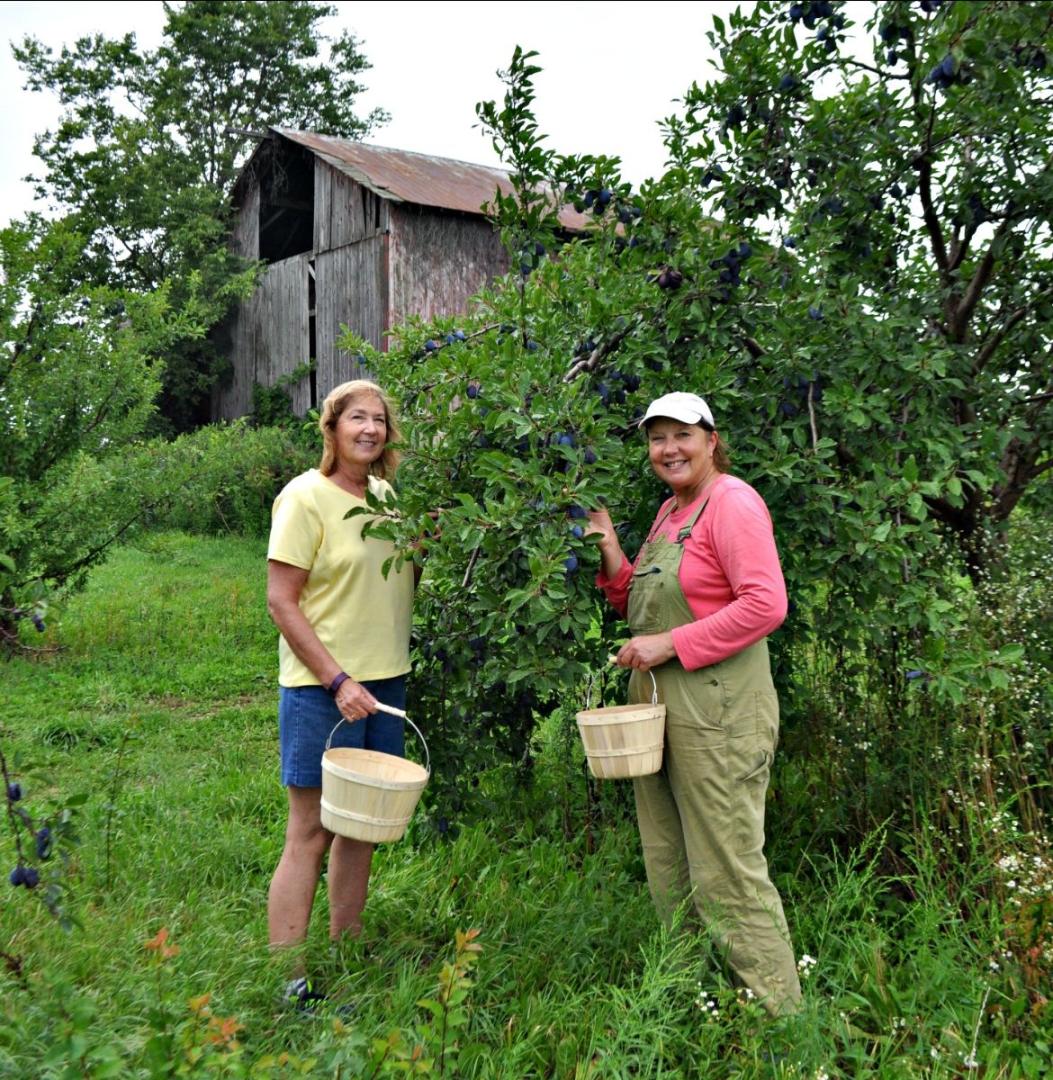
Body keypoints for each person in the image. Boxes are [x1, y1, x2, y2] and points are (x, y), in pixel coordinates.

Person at [587, 391, 802, 1015]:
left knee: (728, 870)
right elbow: (636, 604)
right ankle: (691, 1000)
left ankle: (779, 1022)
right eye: (657, 438)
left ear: (711, 439)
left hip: (720, 713)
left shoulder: (732, 503)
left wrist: (669, 645)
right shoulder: (669, 511)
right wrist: (608, 547)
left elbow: (766, 605)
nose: (668, 449)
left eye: (682, 434)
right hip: (662, 714)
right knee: (669, 860)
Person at [265, 379, 415, 1008]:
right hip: (324, 688)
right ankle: (290, 979)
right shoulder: (305, 497)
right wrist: (337, 680)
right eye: (357, 418)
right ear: (332, 427)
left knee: (362, 828)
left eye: (379, 420)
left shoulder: (386, 496)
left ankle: (345, 949)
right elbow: (281, 600)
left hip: (386, 684)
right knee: (311, 831)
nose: (369, 430)